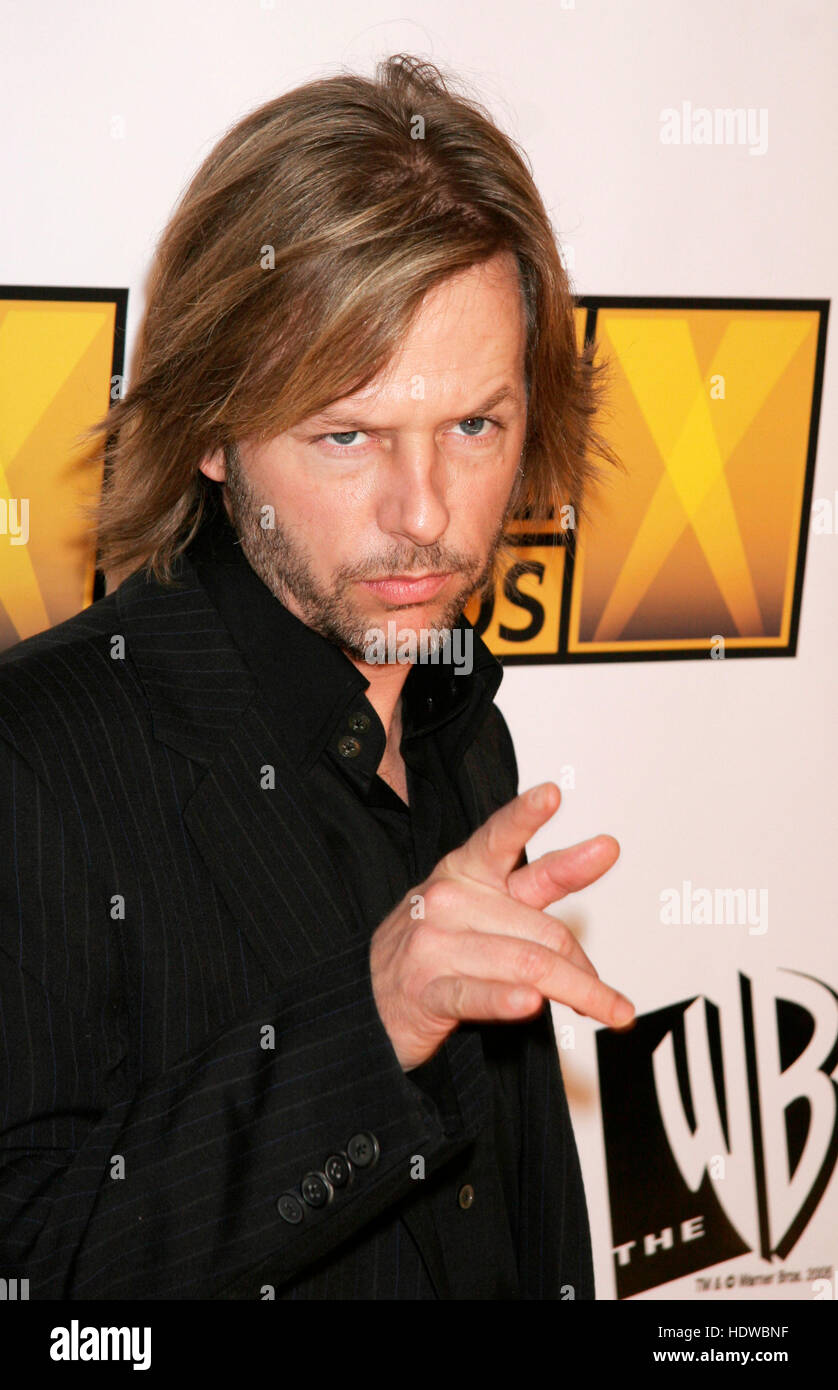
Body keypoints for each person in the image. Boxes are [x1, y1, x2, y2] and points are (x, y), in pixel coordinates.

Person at [0, 54, 633, 1300]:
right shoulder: (42, 758)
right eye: (347, 435)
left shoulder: (460, 723)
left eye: (475, 426)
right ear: (212, 436)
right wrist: (370, 1026)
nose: (426, 514)